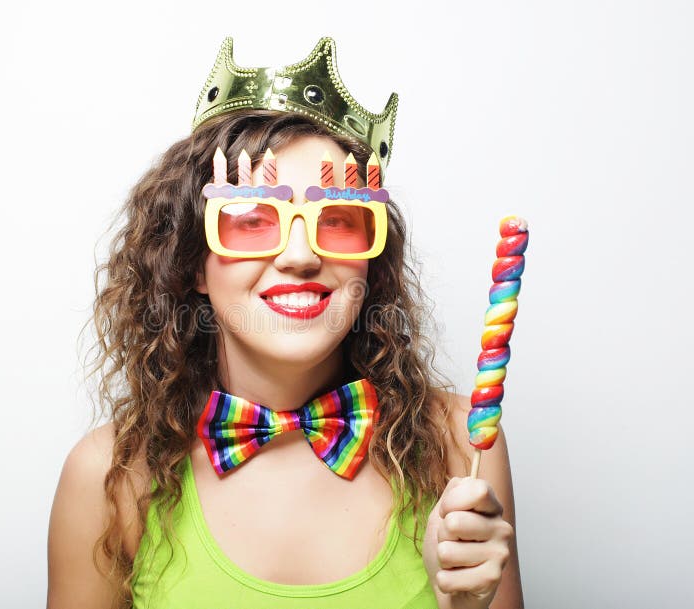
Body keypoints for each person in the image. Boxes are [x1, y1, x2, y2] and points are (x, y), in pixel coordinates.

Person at [47, 38, 523, 609]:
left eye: (339, 220)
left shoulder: (461, 444)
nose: (300, 255)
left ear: (371, 264)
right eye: (252, 221)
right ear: (192, 262)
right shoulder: (109, 476)